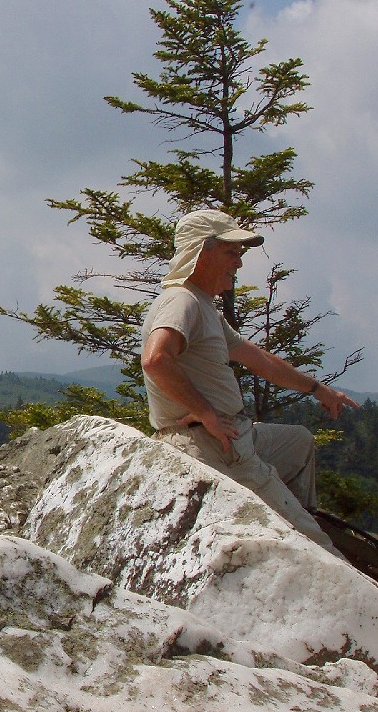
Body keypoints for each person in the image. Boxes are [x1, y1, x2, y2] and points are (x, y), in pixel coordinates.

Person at [140, 208, 359, 554]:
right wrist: (207, 413)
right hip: (215, 444)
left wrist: (319, 389)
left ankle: (295, 515)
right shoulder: (182, 301)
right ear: (202, 251)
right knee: (318, 549)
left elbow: (257, 358)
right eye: (232, 252)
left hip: (232, 434)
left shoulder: (201, 304)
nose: (239, 263)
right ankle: (298, 534)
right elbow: (156, 359)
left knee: (299, 442)